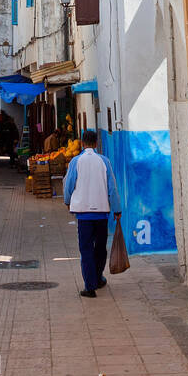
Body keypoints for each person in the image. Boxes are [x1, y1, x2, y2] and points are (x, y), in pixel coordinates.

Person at [63, 128, 121, 298]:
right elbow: (112, 187)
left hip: (83, 214)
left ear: (82, 143)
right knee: (100, 248)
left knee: (86, 249)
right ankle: (98, 277)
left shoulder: (76, 161)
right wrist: (117, 209)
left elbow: (68, 184)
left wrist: (67, 201)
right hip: (102, 213)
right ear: (96, 143)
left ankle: (90, 286)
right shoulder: (104, 161)